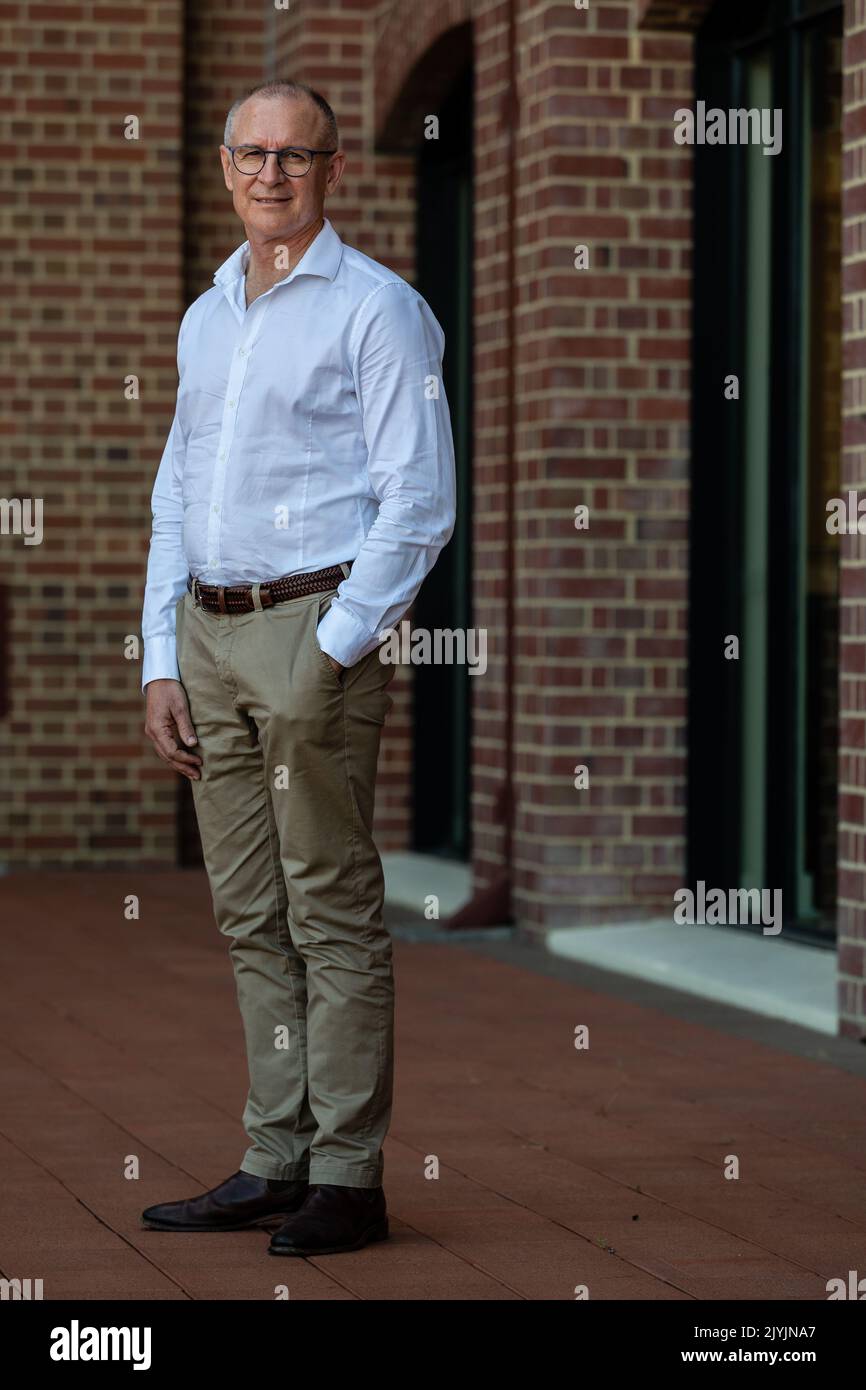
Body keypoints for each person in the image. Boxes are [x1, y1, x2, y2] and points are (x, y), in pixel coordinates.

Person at [139, 79, 456, 1257]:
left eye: (296, 156)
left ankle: (348, 1174)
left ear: (333, 171)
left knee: (327, 903)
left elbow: (418, 499)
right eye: (250, 155)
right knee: (246, 911)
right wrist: (158, 651)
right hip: (209, 635)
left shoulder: (378, 309)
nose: (270, 175)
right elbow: (177, 489)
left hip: (309, 627)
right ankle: (273, 1153)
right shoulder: (208, 312)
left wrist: (331, 646)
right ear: (225, 167)